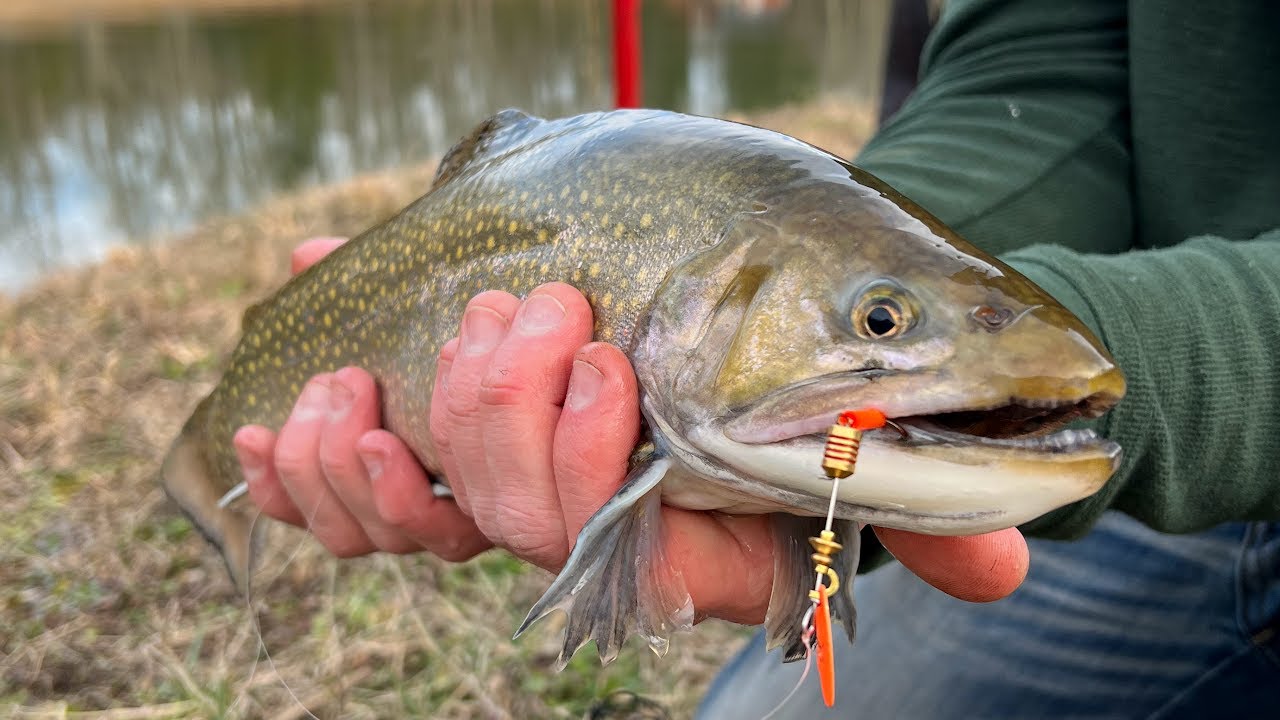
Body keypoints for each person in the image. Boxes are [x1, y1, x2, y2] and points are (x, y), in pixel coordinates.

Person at [232, 1, 1280, 716]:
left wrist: (1130, 359)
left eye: (878, 325)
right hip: (1139, 521)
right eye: (880, 322)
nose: (879, 331)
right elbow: (1041, 77)